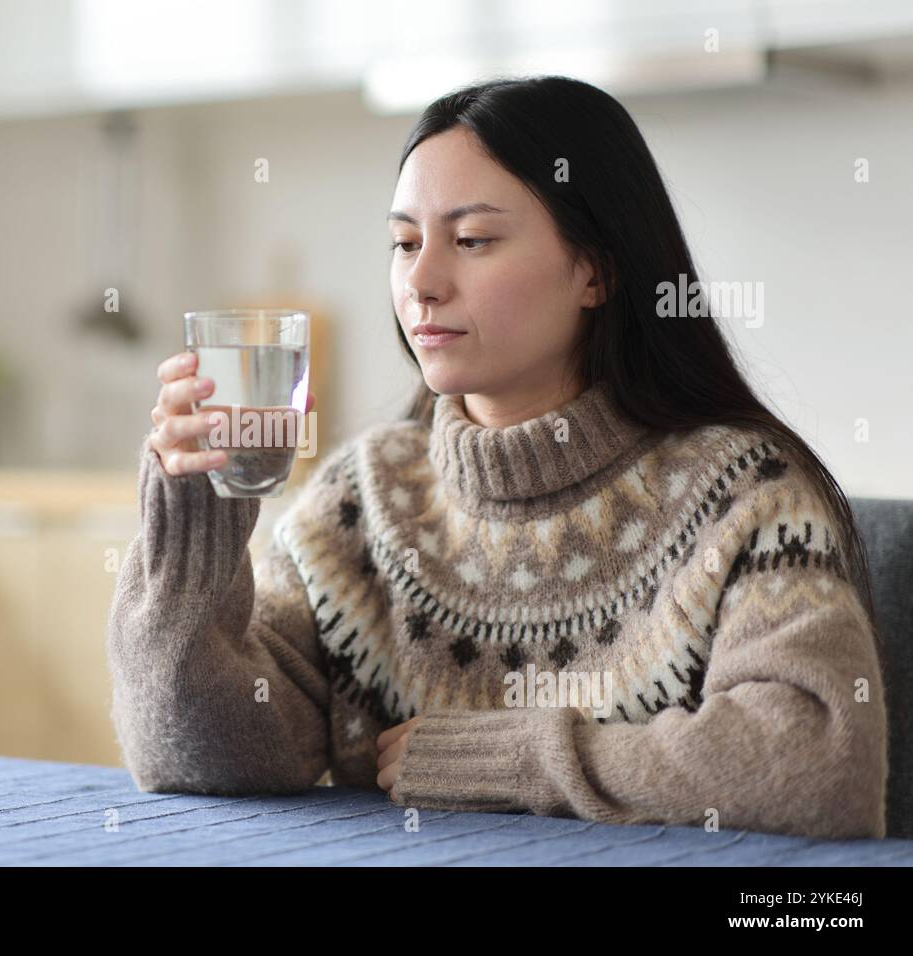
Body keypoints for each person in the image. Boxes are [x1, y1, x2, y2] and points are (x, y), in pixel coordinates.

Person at [106, 75, 888, 839]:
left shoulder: (747, 497)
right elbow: (203, 754)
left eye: (472, 239)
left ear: (596, 270)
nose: (421, 281)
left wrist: (512, 758)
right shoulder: (360, 497)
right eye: (404, 242)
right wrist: (191, 514)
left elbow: (818, 763)